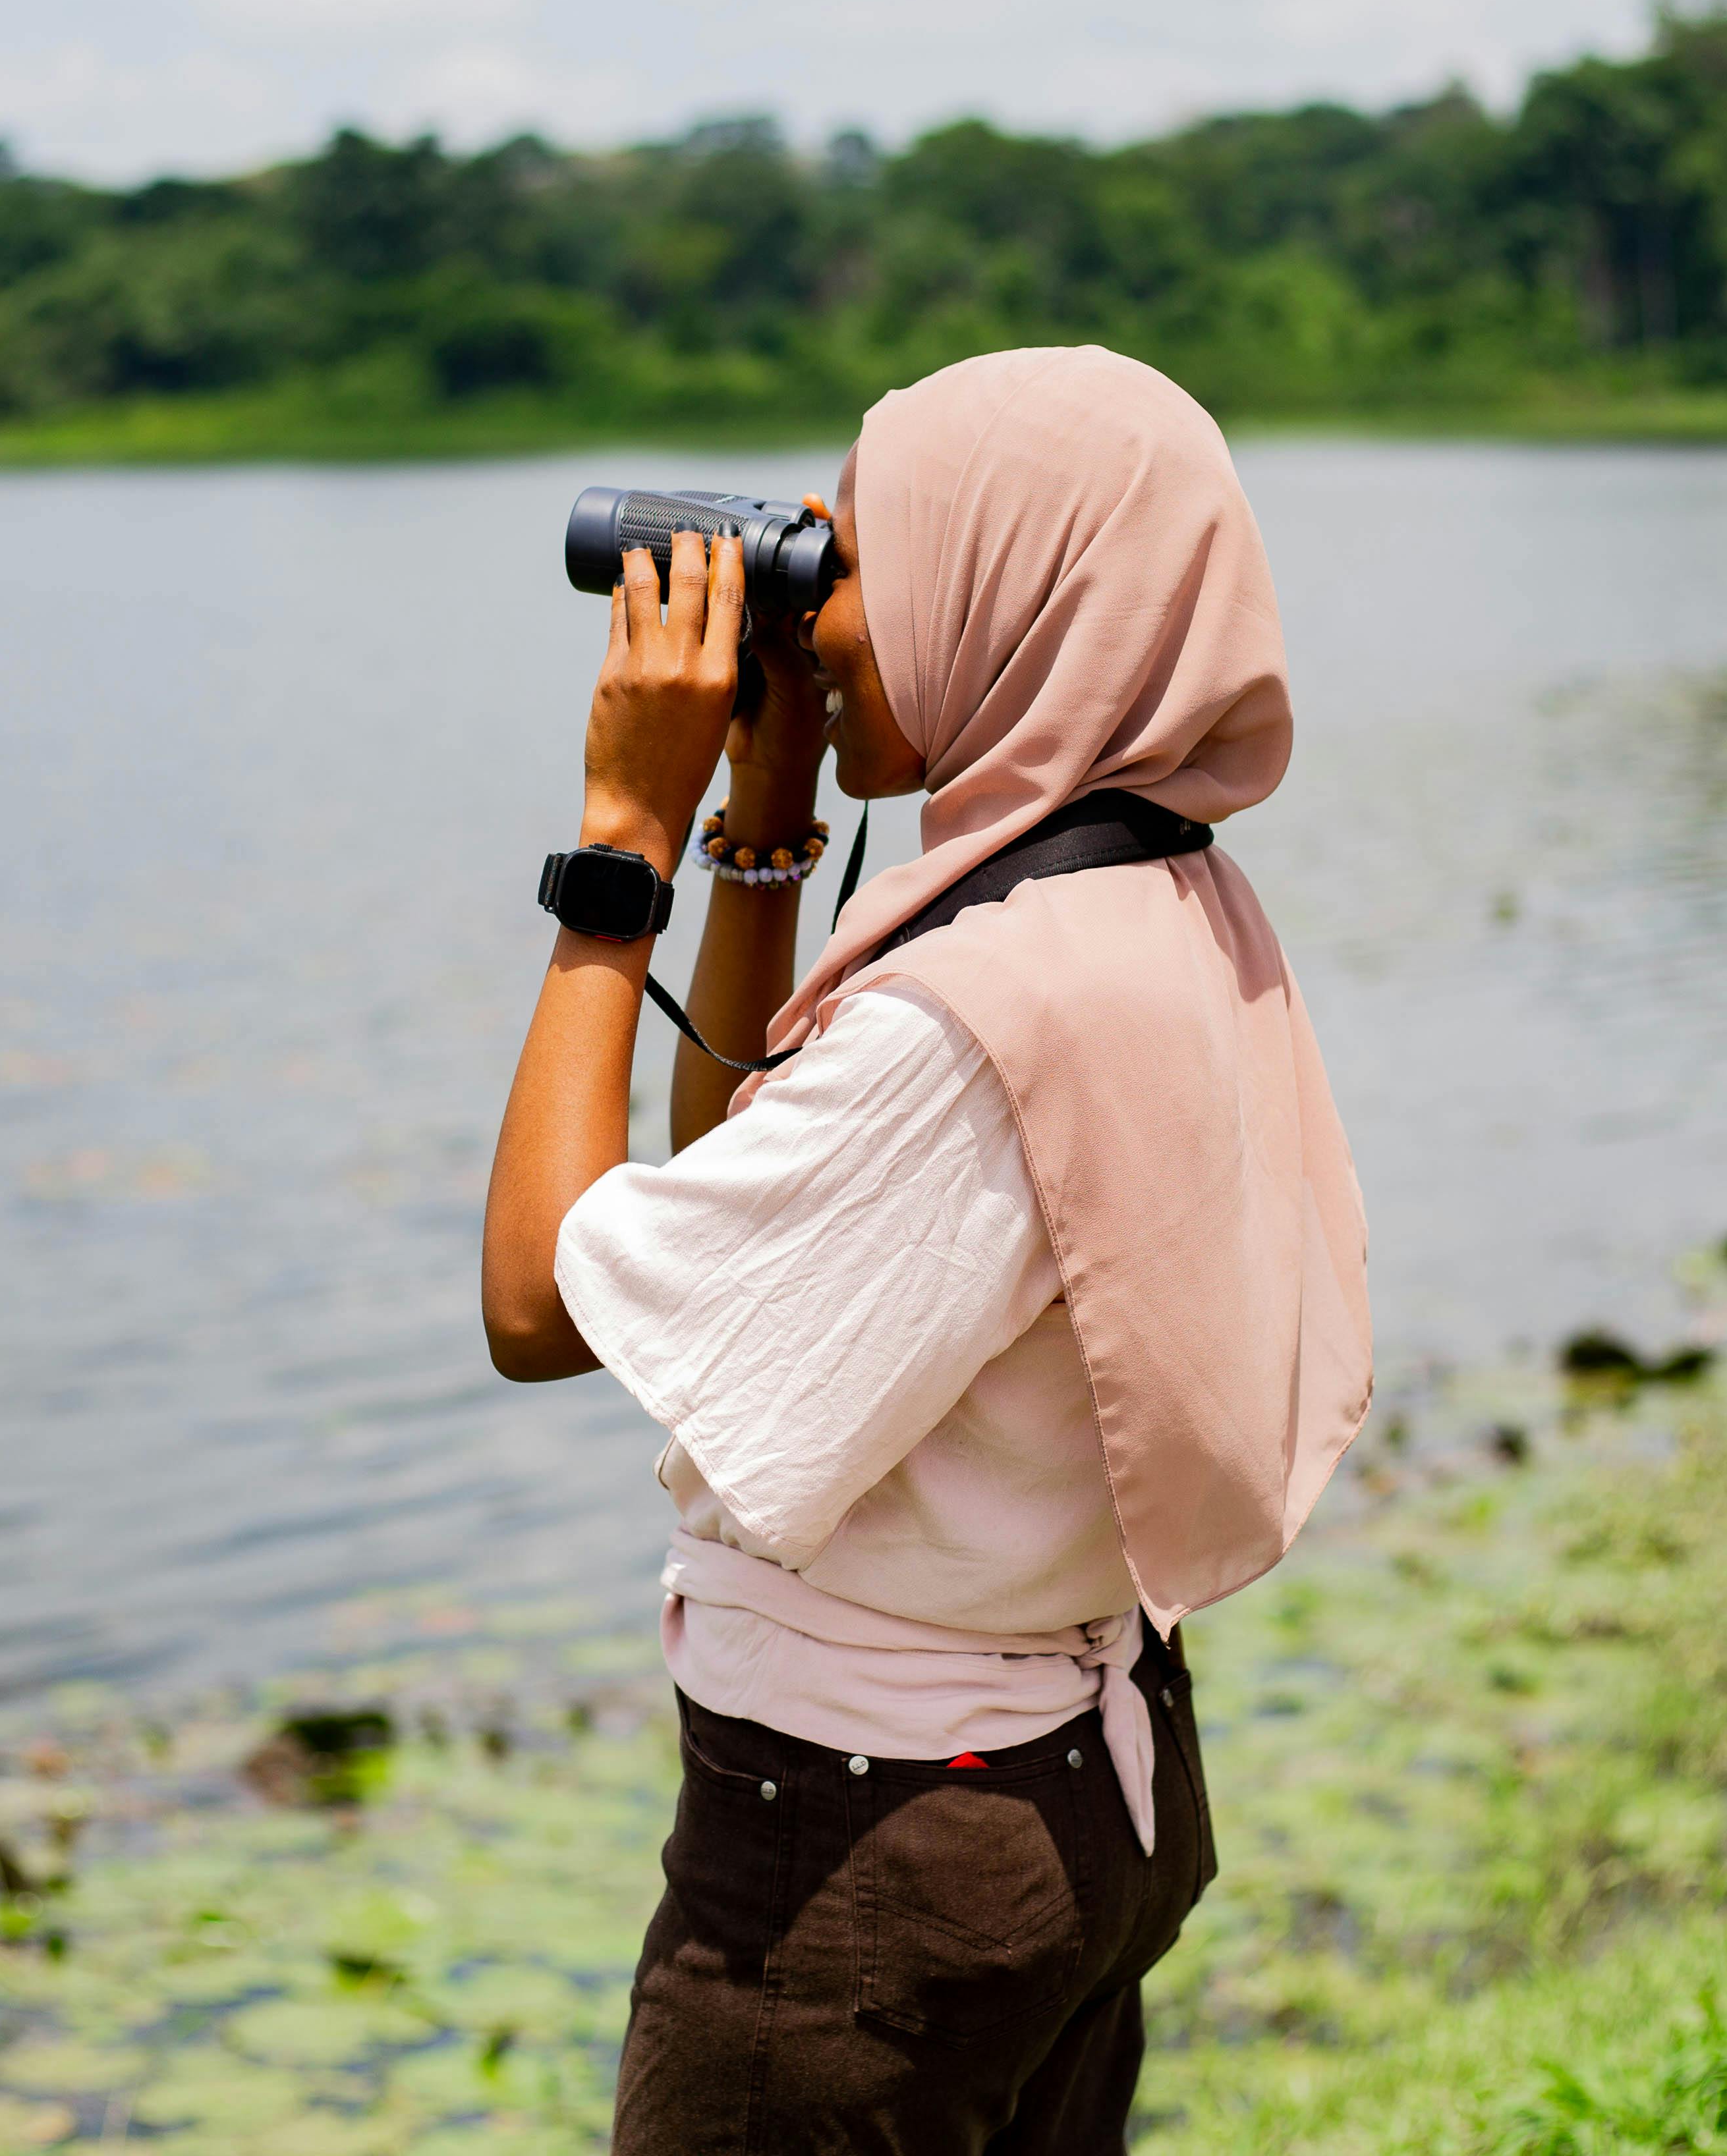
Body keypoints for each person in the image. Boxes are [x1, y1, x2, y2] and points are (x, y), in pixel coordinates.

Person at [480, 345, 1371, 2153]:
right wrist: (761, 824)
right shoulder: (1150, 900)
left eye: (860, 563)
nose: (821, 616)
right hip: (1073, 1797)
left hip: (864, 1869)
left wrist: (618, 842)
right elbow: (730, 1184)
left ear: (1004, 594)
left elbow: (535, 1302)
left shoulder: (974, 1018)